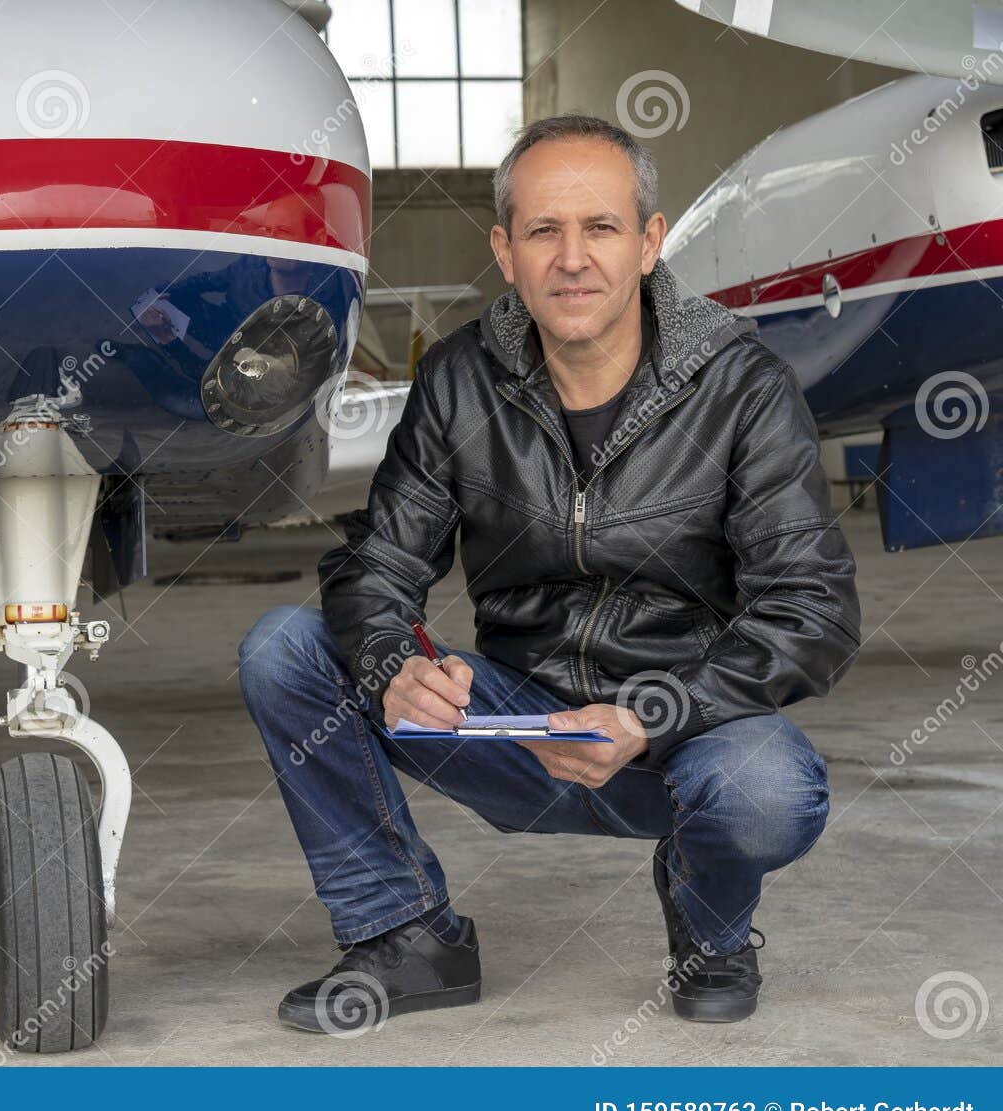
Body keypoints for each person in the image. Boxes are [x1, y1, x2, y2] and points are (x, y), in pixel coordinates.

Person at [237, 114, 860, 1032]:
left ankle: (710, 928)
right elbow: (378, 561)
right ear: (505, 251)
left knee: (768, 789)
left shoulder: (742, 387)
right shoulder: (460, 380)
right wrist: (391, 663)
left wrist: (650, 716)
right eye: (543, 231)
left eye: (601, 227)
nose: (573, 259)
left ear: (648, 242)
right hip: (516, 727)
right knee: (284, 651)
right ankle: (406, 931)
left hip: (683, 734)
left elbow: (814, 611)